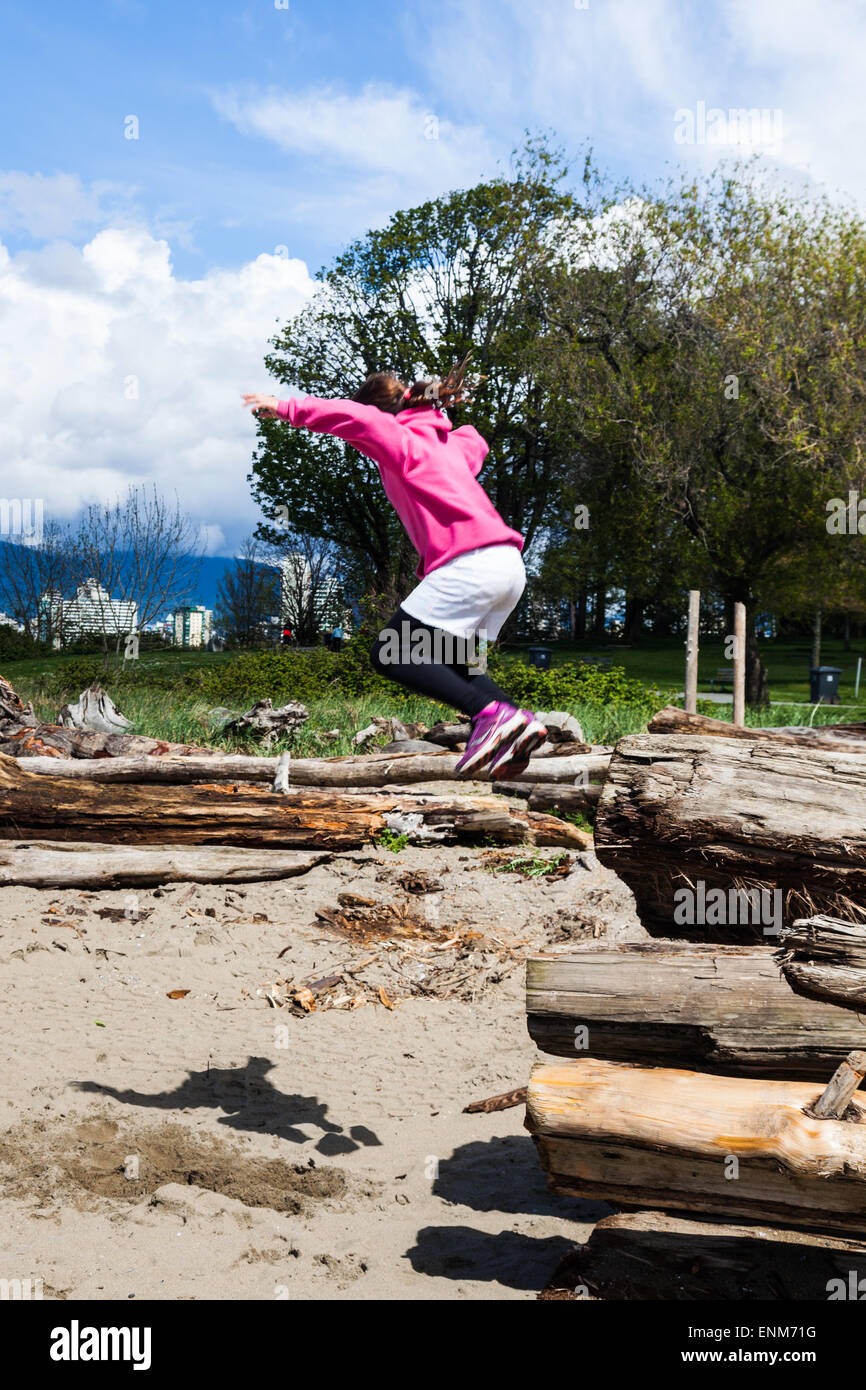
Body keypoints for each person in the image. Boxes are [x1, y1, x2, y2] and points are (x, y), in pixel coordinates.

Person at [242, 358, 547, 776]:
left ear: (387, 413)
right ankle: (516, 721)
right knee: (453, 662)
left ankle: (493, 715)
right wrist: (439, 414)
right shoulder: (445, 445)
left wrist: (287, 408)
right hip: (508, 566)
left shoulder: (400, 437)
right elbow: (474, 442)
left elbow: (357, 418)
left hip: (469, 564)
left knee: (391, 653)